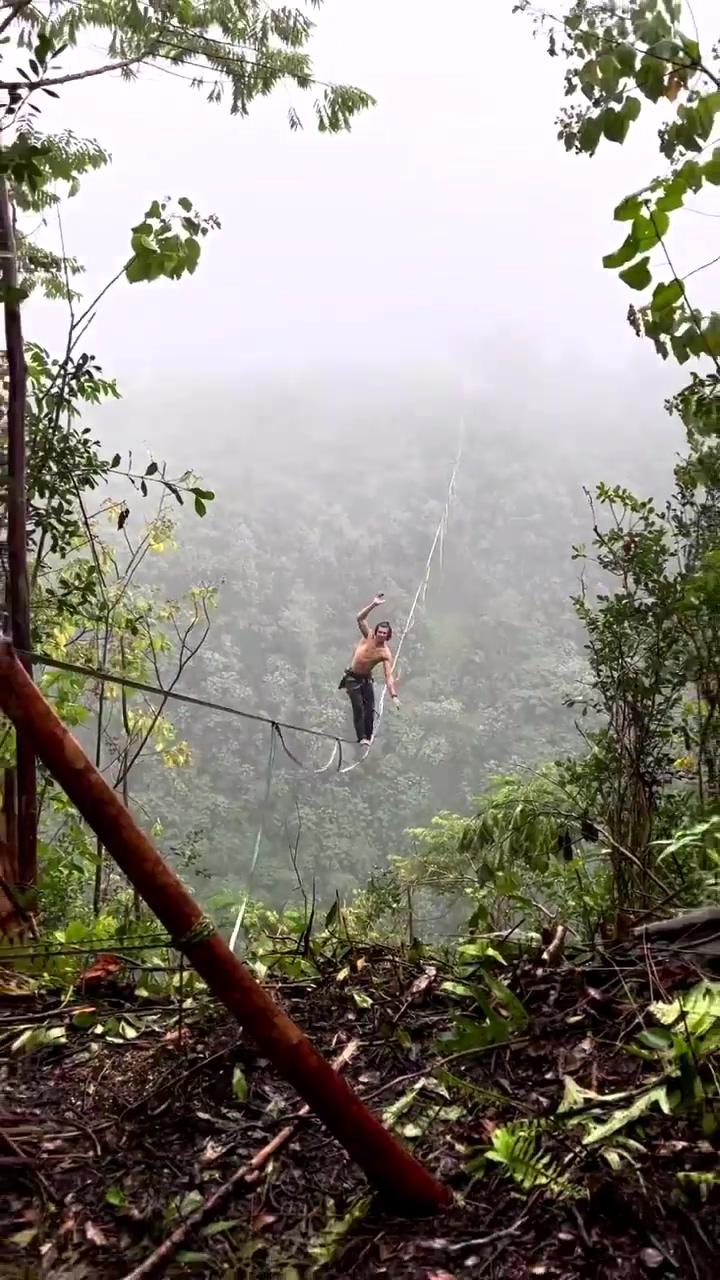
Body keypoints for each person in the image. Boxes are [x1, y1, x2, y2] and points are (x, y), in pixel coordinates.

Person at [338, 593, 400, 746]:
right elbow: (359, 618)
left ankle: (369, 736)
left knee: (370, 707)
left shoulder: (385, 653)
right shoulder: (369, 636)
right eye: (379, 632)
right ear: (376, 632)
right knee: (358, 706)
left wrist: (394, 695)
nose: (381, 635)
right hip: (352, 678)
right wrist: (373, 605)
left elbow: (388, 675)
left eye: (384, 634)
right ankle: (362, 738)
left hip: (366, 679)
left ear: (387, 636)